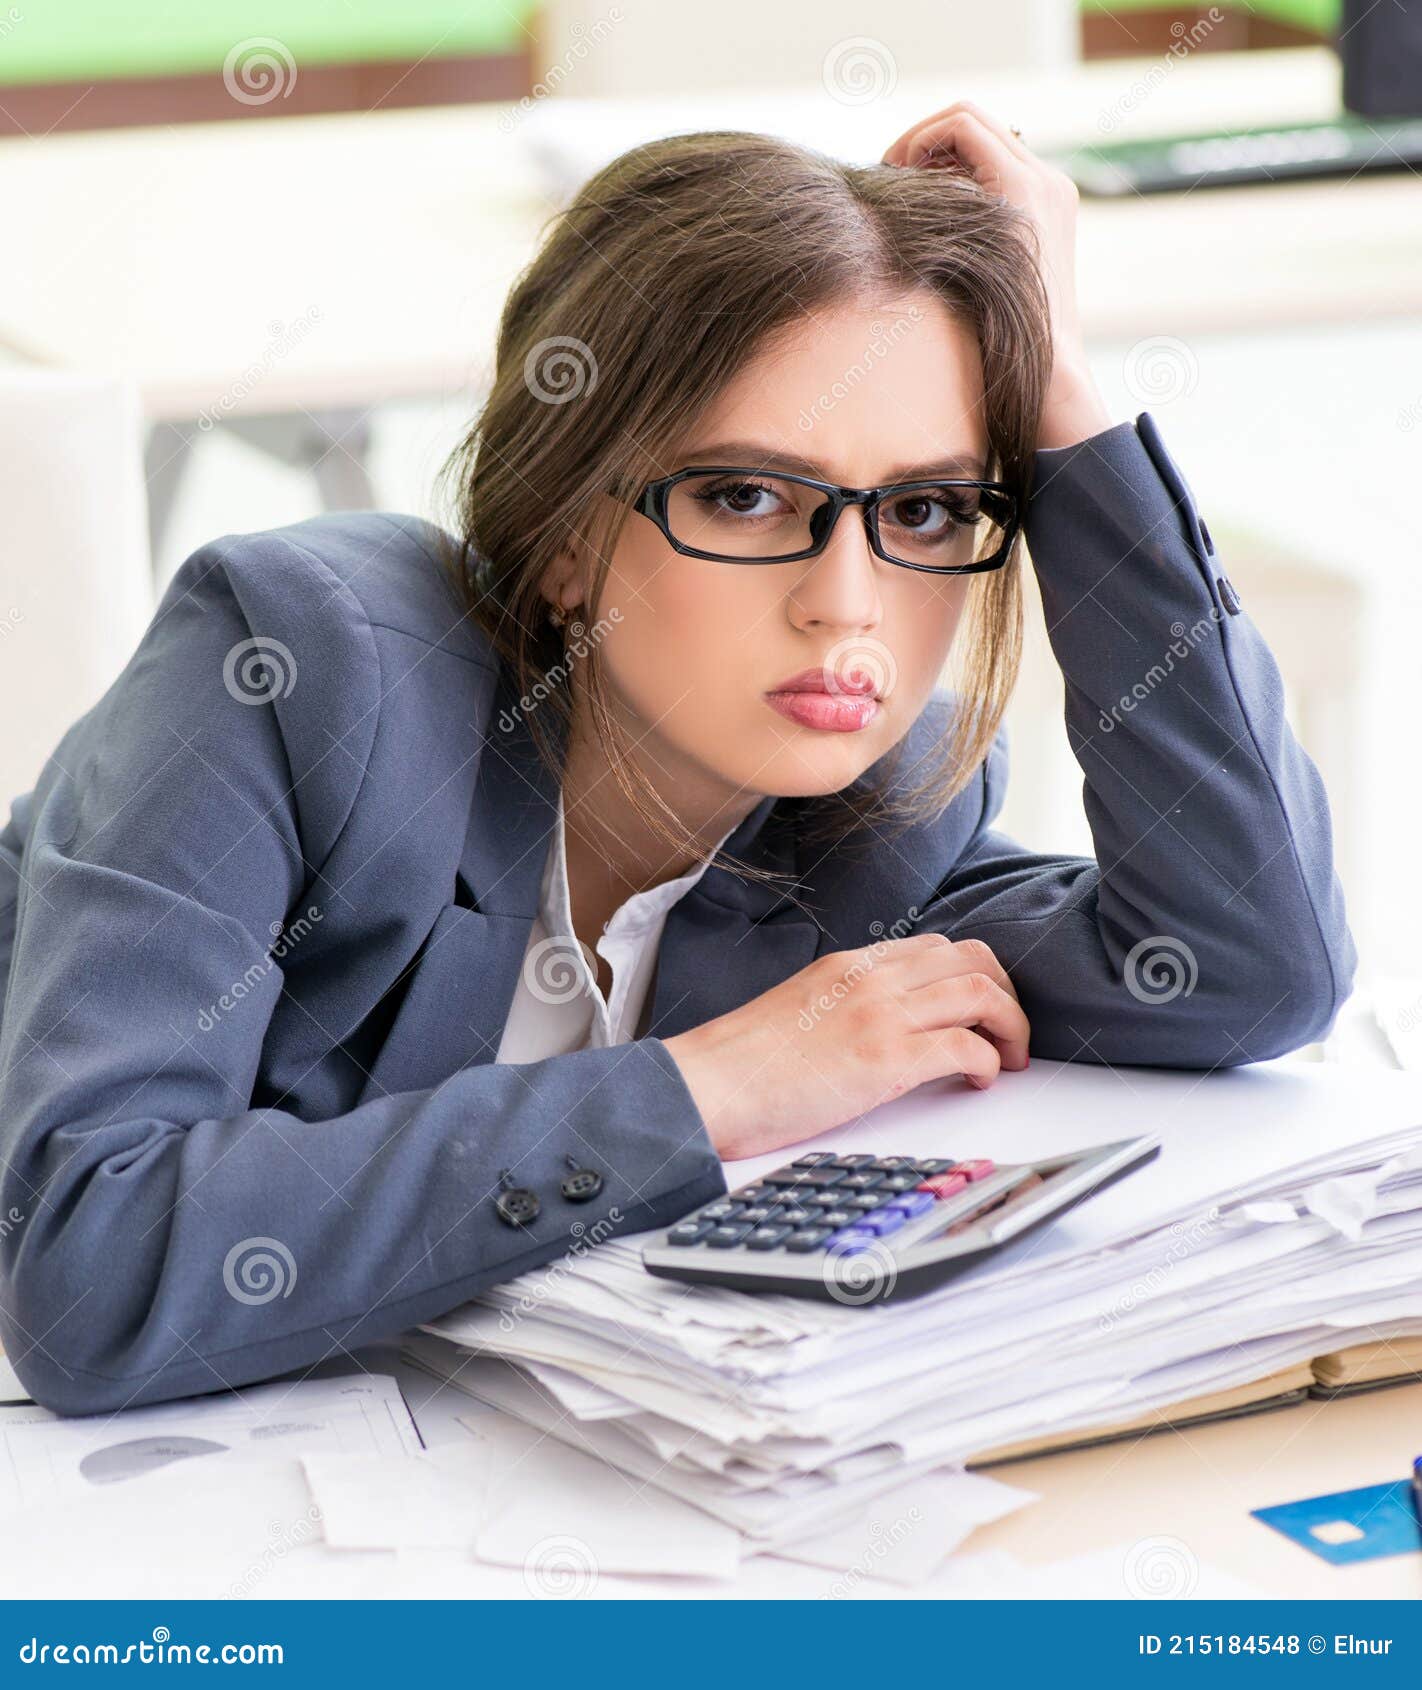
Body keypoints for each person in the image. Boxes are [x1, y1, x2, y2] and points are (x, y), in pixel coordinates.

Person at [0, 103, 1353, 1414]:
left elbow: (1249, 968)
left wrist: (1055, 386)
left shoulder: (876, 818)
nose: (847, 605)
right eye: (745, 496)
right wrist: (711, 1085)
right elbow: (86, 1265)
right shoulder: (302, 665)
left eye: (929, 509)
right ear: (564, 538)